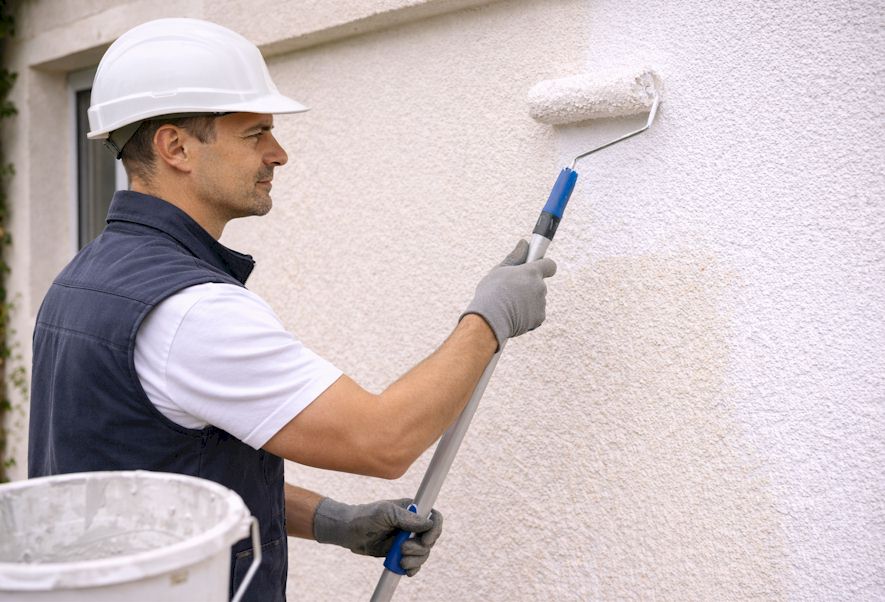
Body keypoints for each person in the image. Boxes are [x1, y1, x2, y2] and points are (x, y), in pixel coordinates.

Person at [27, 18, 556, 601]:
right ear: (175, 146)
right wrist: (488, 320)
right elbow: (382, 441)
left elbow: (158, 483)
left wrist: (331, 520)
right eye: (255, 133)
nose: (278, 154)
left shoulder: (84, 280)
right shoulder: (192, 311)